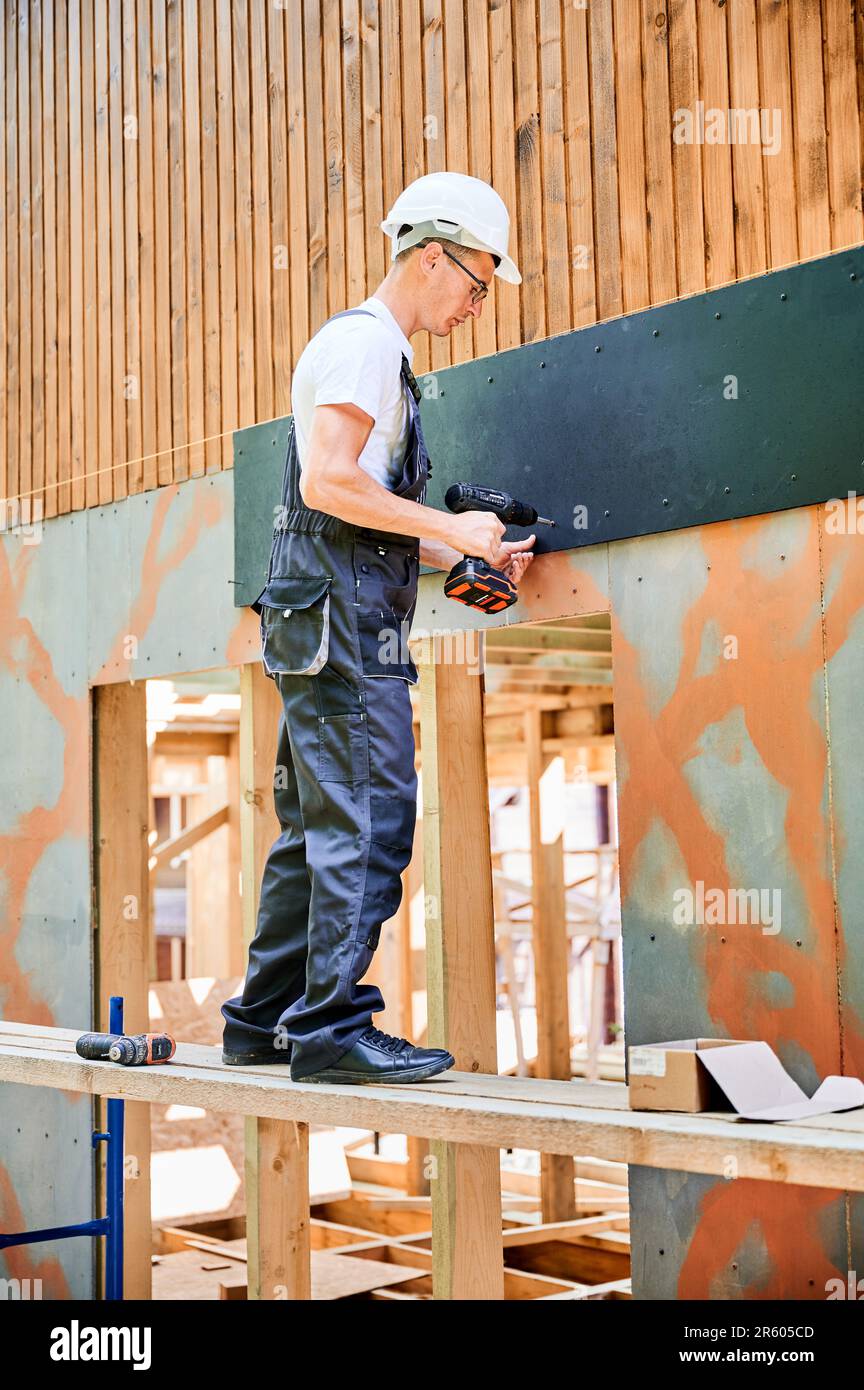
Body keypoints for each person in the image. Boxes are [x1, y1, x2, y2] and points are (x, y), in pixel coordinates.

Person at [222, 172, 535, 1084]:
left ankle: (264, 1022)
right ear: (431, 255)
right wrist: (448, 524)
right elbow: (327, 481)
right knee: (372, 817)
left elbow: (349, 513)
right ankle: (331, 1030)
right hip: (343, 625)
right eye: (478, 282)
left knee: (315, 824)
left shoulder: (375, 356)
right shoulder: (365, 349)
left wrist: (458, 558)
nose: (479, 302)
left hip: (325, 612)